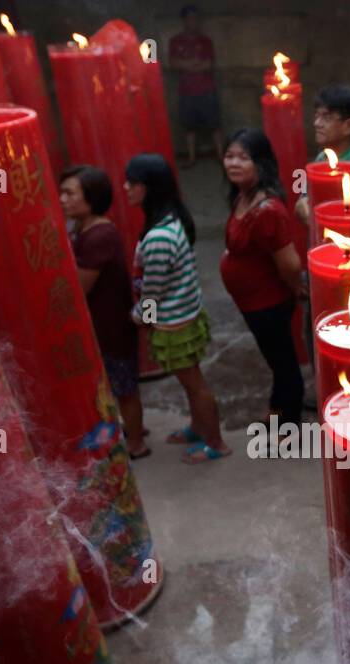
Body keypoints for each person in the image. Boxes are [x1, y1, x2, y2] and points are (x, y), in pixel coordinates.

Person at [124, 153, 230, 462]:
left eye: (133, 182)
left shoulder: (158, 236)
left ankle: (216, 442)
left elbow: (153, 291)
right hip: (185, 314)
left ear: (149, 188)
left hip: (175, 325)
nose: (126, 187)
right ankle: (198, 427)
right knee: (190, 382)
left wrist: (141, 318)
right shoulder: (172, 218)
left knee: (195, 385)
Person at [220, 129, 307, 427]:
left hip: (269, 303)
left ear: (261, 163)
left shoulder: (268, 210)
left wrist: (295, 288)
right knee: (276, 360)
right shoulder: (242, 196)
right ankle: (278, 409)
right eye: (229, 156)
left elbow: (291, 263)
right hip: (252, 303)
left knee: (283, 363)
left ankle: (290, 423)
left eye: (243, 158)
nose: (233, 163)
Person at [61, 164, 147, 459]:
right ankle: (130, 431)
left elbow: (80, 287)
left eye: (71, 194)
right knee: (117, 385)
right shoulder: (84, 227)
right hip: (104, 324)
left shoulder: (99, 236)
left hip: (112, 326)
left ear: (92, 197)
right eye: (62, 192)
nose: (63, 199)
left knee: (125, 388)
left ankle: (136, 442)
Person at [295, 84, 350, 226]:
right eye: (316, 116)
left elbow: (348, 220)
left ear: (348, 126)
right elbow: (303, 193)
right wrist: (302, 203)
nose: (317, 123)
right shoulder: (321, 157)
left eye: (327, 118)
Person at [167, 4, 222, 168]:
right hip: (186, 91)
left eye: (196, 18)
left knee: (215, 125)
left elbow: (208, 64)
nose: (194, 22)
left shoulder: (206, 41)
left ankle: (220, 155)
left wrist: (186, 64)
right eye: (190, 18)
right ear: (184, 20)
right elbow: (173, 64)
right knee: (189, 127)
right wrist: (192, 64)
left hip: (207, 90)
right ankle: (191, 158)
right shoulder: (175, 41)